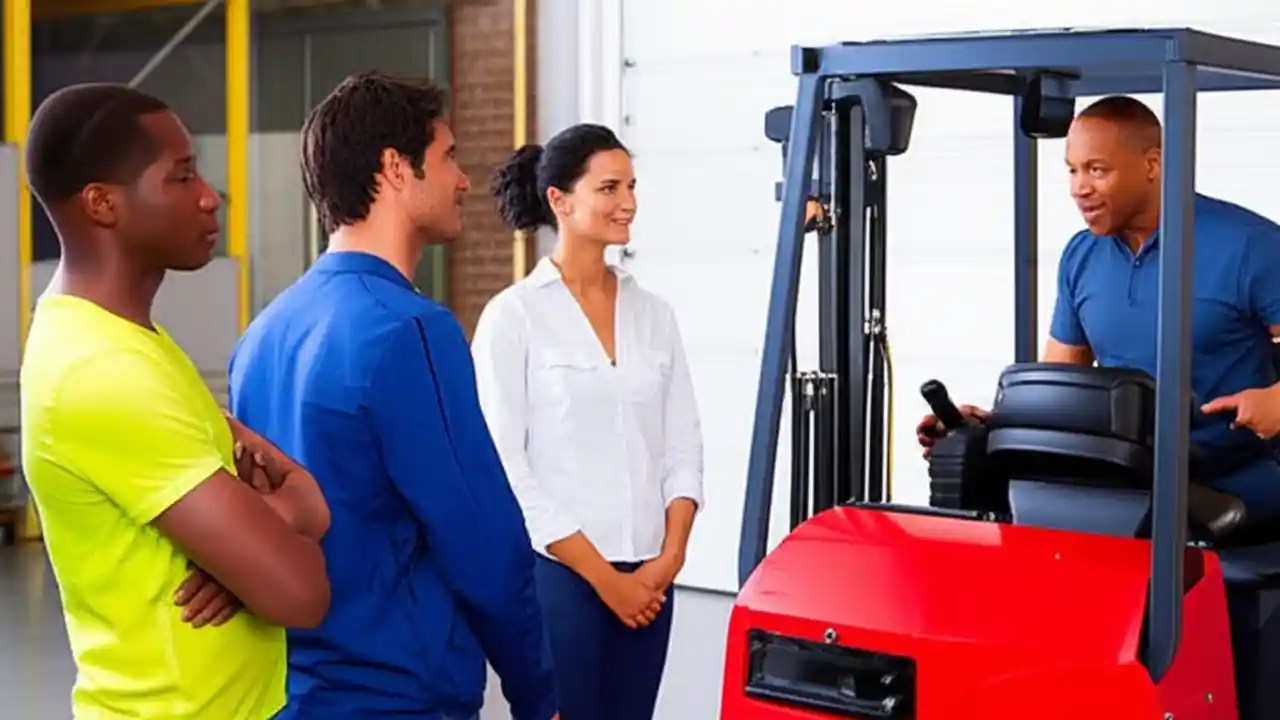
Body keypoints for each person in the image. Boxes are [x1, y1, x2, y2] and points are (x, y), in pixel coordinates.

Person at [226, 72, 559, 720]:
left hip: (290, 693)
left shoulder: (261, 335)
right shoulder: (411, 331)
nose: (464, 180)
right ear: (395, 169)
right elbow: (484, 544)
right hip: (398, 695)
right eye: (449, 158)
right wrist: (537, 692)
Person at [19, 83, 331, 720]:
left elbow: (312, 505)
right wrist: (271, 533)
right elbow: (303, 593)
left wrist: (266, 534)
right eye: (182, 176)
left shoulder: (133, 342)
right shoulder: (102, 369)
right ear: (102, 203)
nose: (209, 195)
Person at [916, 94, 1280, 518]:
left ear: (1152, 164)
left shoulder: (1252, 247)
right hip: (1127, 473)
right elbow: (1059, 384)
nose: (1079, 188)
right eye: (1072, 170)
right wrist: (990, 423)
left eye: (1097, 170)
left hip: (1230, 477)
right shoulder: (1082, 255)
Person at [472, 123, 705, 720]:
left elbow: (683, 445)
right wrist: (606, 578)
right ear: (560, 198)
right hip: (560, 582)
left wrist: (669, 558)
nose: (627, 202)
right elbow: (506, 465)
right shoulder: (513, 317)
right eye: (609, 187)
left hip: (653, 580)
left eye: (631, 186)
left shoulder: (655, 314)